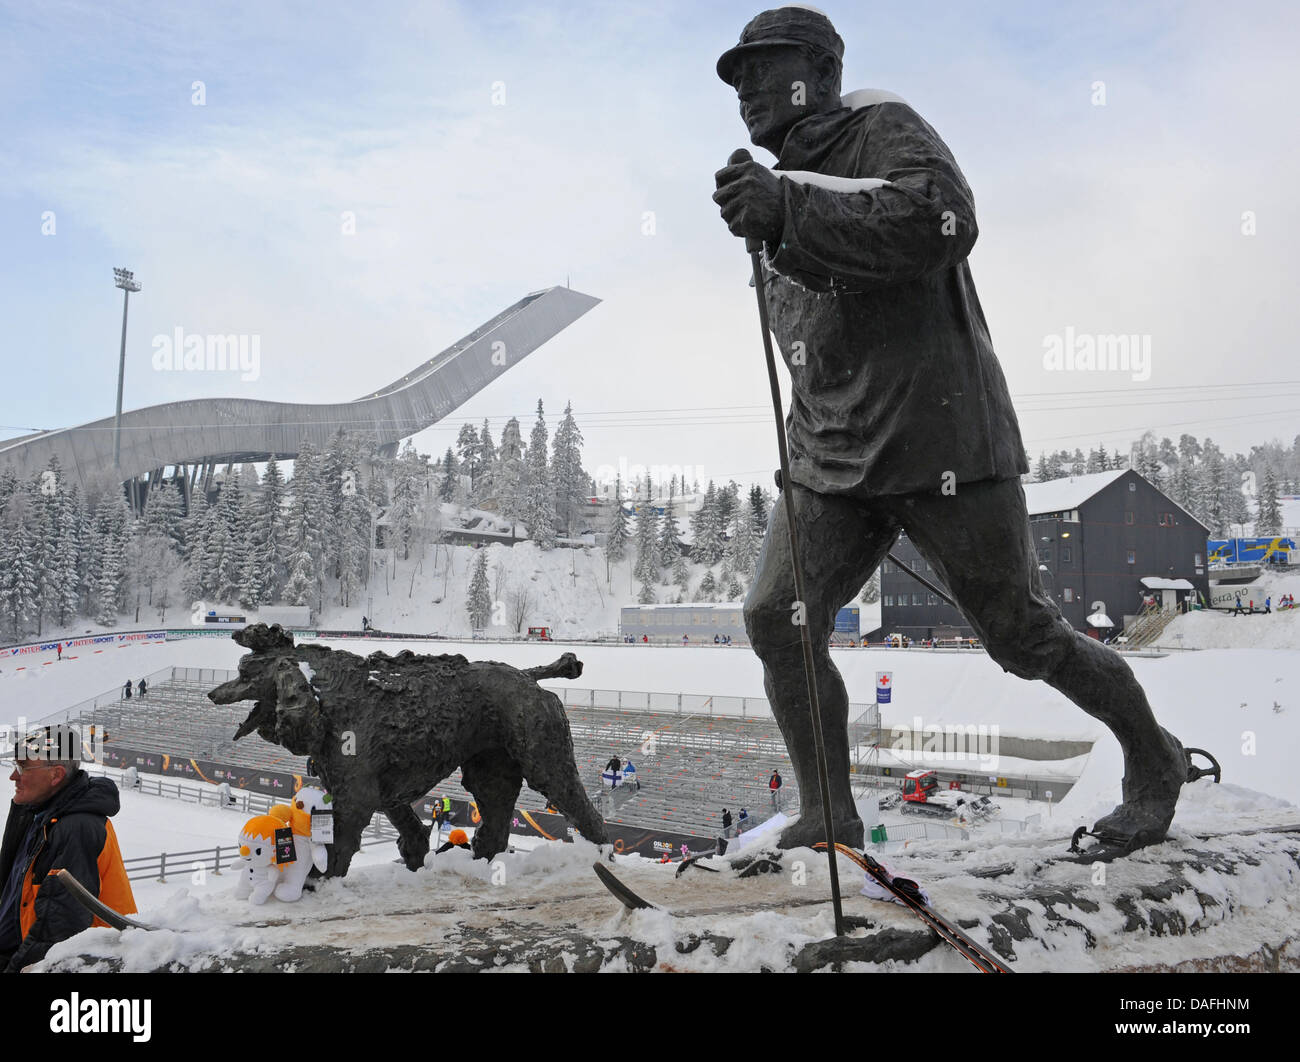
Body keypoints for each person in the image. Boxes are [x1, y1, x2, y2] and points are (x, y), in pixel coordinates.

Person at [712, 6, 1191, 854]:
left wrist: (790, 208)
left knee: (1022, 636)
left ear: (818, 71)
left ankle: (1155, 760)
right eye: (735, 77)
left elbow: (941, 218)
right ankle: (829, 811)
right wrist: (779, 220)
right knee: (775, 615)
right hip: (831, 458)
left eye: (762, 66)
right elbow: (811, 346)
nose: (745, 87)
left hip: (942, 446)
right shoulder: (769, 194)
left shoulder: (882, 130)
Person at [1, 726, 137, 972]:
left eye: (22, 767)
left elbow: (58, 930)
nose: (13, 776)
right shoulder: (39, 812)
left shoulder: (76, 828)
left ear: (56, 775)